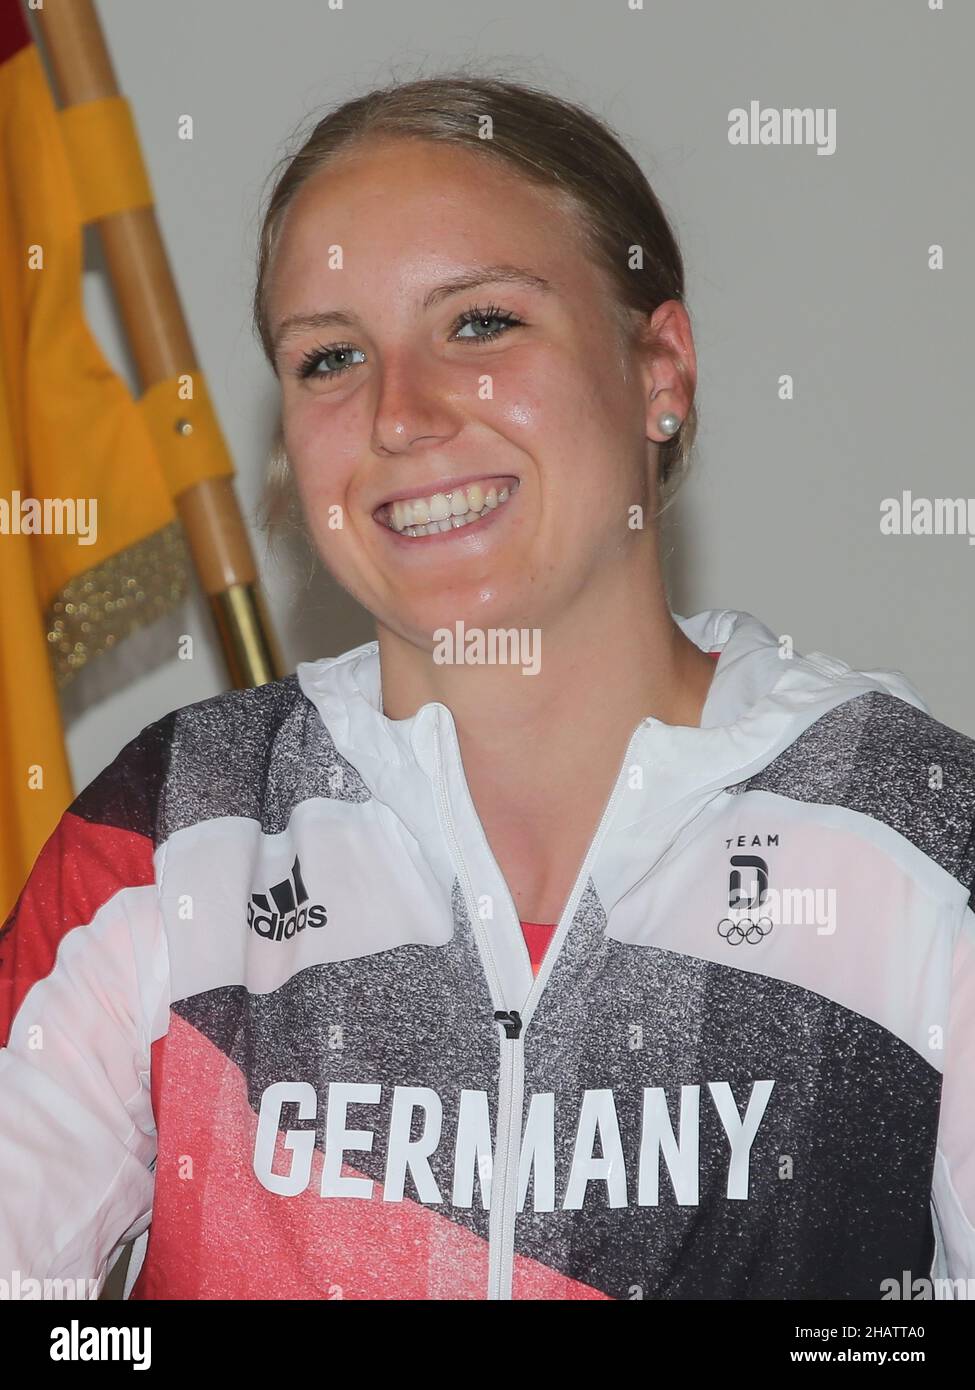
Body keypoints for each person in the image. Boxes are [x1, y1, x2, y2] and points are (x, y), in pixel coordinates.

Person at [1, 74, 973, 1303]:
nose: (399, 415)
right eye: (331, 356)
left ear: (658, 368)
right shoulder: (167, 835)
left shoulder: (922, 829)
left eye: (480, 324)